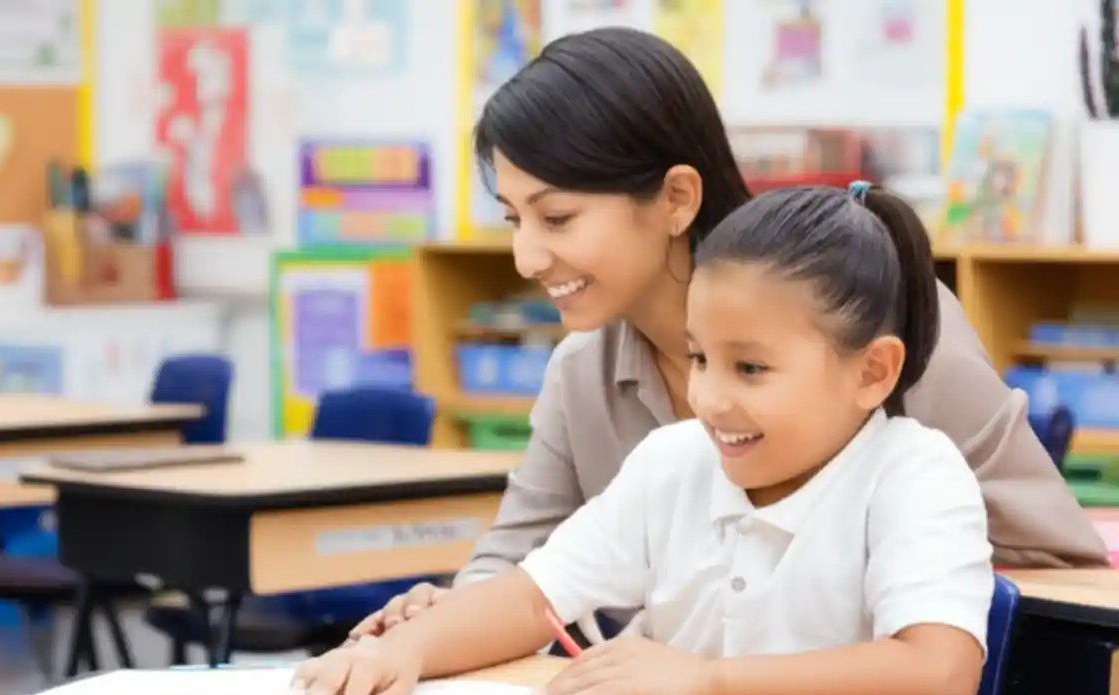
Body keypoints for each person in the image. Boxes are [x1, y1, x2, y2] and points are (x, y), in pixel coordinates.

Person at [350, 26, 1105, 642]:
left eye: (557, 218)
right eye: (514, 219)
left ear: (676, 198)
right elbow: (517, 567)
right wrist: (439, 620)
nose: (526, 257)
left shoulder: (870, 317)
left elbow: (1063, 567)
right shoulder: (581, 372)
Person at [294, 183, 994, 695]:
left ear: (872, 371)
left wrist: (702, 680)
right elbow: (532, 598)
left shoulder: (913, 475)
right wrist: (402, 649)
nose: (711, 398)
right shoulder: (674, 461)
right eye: (698, 358)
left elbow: (938, 677)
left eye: (750, 369)